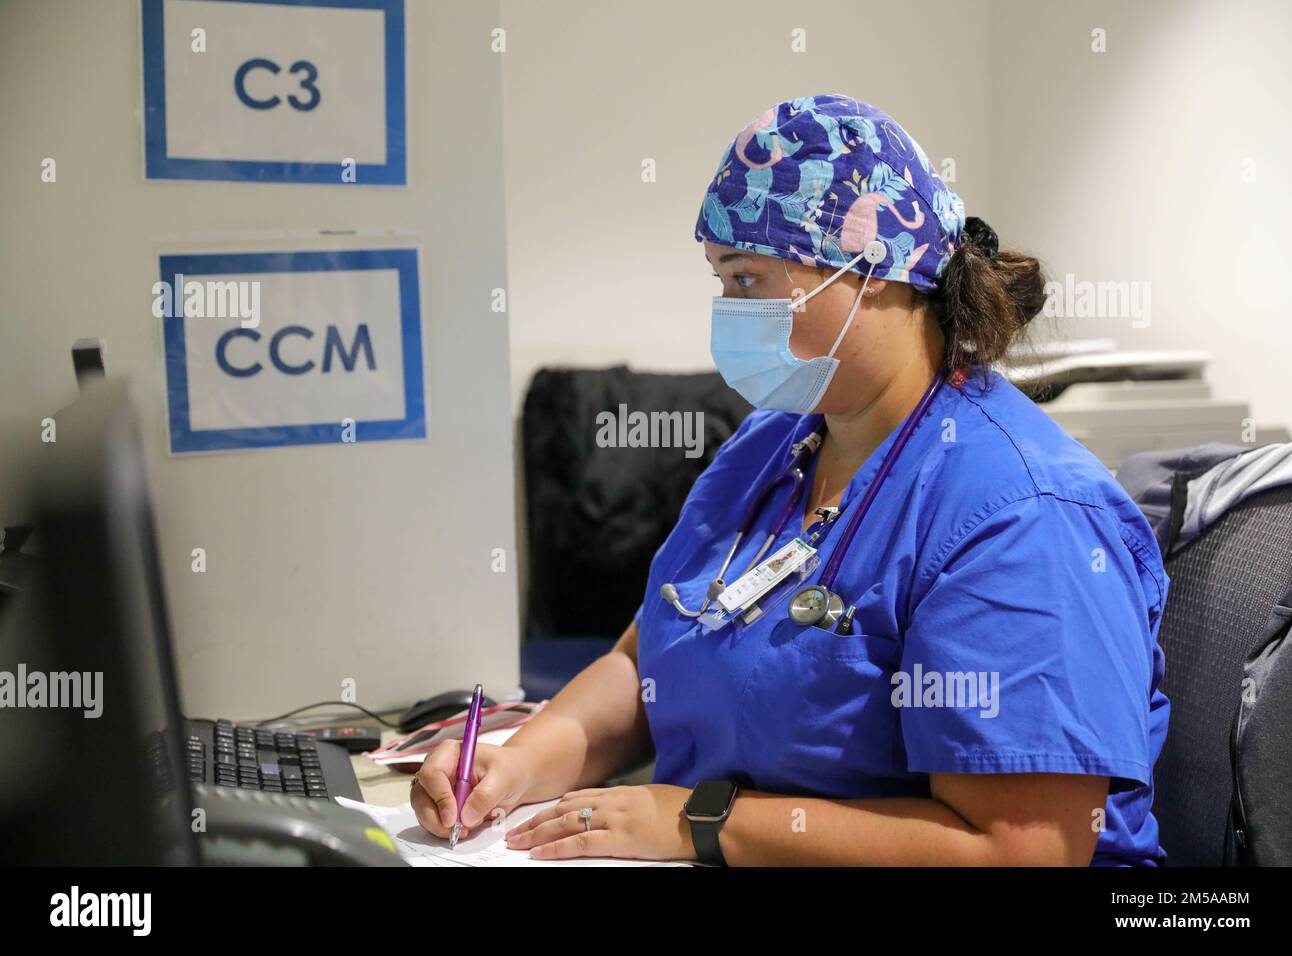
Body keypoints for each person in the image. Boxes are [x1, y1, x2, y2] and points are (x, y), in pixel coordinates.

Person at [412, 93, 1170, 866]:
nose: (727, 313)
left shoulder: (1021, 514)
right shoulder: (774, 447)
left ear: (873, 270)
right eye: (719, 281)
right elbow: (646, 662)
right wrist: (514, 763)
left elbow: (1023, 853)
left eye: (746, 282)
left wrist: (703, 824)